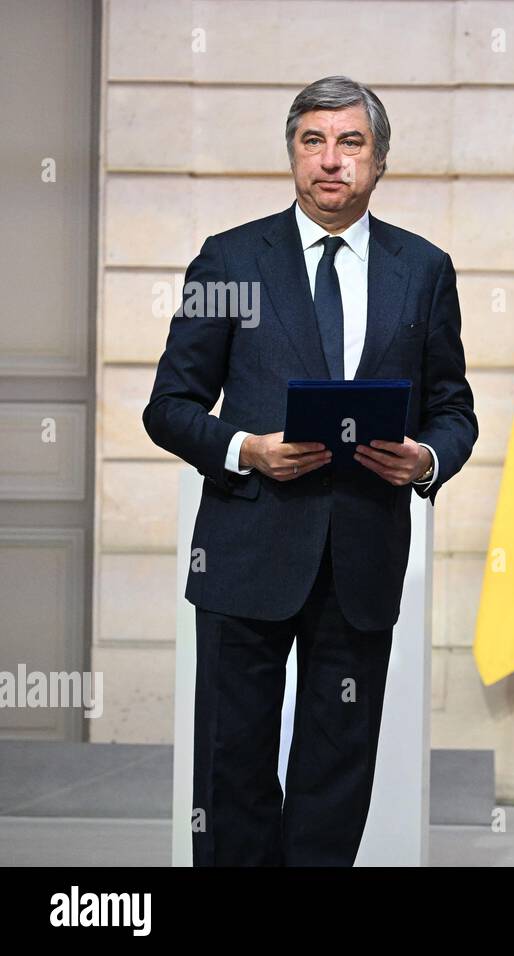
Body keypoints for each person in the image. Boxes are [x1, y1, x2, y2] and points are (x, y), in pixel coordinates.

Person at [142, 75, 477, 866]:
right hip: (244, 555)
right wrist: (245, 448)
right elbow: (169, 405)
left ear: (380, 160)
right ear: (293, 153)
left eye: (351, 143)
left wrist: (424, 458)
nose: (331, 160)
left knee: (335, 778)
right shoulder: (228, 258)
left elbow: (454, 411)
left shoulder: (423, 270)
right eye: (313, 141)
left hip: (358, 562)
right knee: (233, 772)